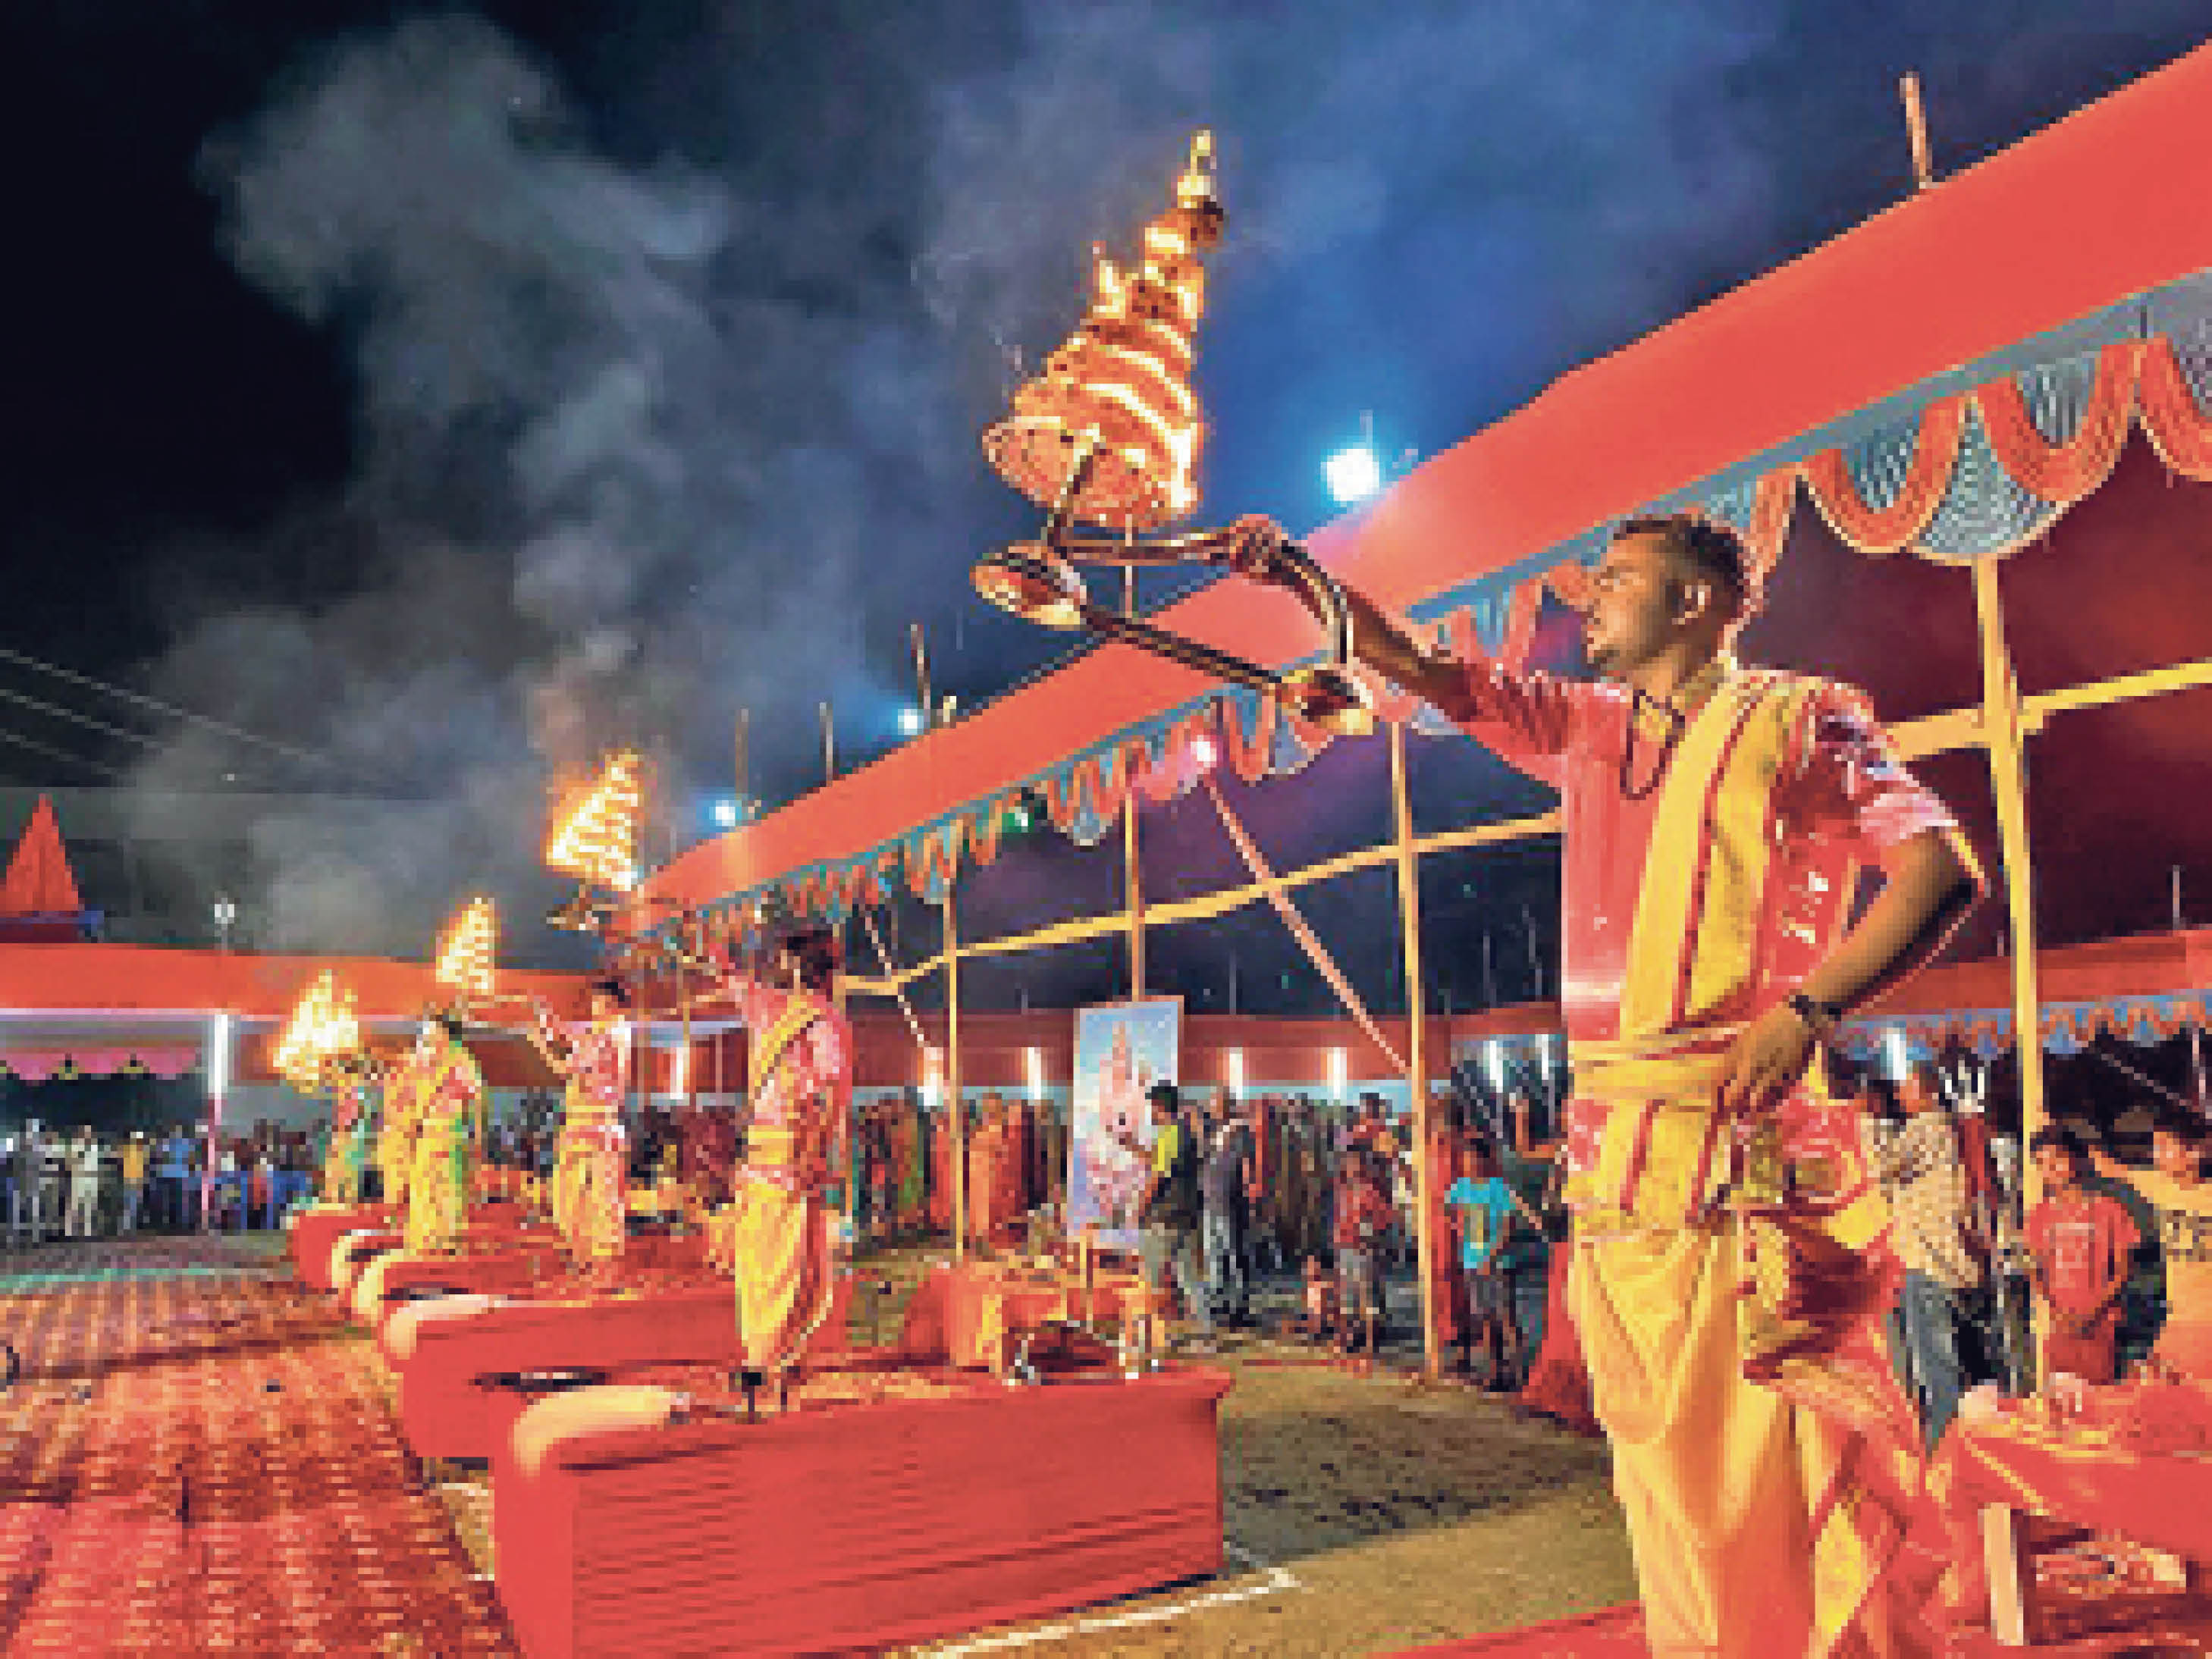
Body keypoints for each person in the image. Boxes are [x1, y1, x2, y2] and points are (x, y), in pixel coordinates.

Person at [1230, 509, 1980, 1657]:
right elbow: (1411, 664)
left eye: (1617, 580)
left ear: (1694, 602)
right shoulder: (1583, 724)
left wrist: (1806, 1012)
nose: (1587, 597)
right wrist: (1297, 576)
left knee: (1764, 1463)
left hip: (1742, 1159)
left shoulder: (1802, 718)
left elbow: (1940, 870)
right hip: (1616, 1159)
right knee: (1658, 1473)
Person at [705, 924, 852, 1391]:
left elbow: (829, 1093)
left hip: (793, 1157)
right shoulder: (774, 1008)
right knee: (761, 1259)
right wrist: (706, 941)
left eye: (791, 959)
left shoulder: (821, 1021)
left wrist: (813, 1152)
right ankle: (769, 1354)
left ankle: (768, 1358)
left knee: (786, 1262)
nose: (785, 967)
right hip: (762, 1158)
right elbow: (728, 977)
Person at [1863, 1065, 1987, 1450]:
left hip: (1927, 1264)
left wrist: (1866, 1122)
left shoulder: (1927, 1129)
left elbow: (1880, 1166)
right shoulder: (1935, 1130)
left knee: (1936, 1370)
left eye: (1906, 1088)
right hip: (1928, 1264)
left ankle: (1947, 1456)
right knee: (1931, 1366)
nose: (1900, 1096)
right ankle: (1941, 1449)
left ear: (1927, 1090)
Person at [526, 977, 633, 1281]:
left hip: (594, 1124)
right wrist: (547, 1020)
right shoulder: (613, 1032)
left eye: (598, 1002)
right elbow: (571, 1034)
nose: (594, 1007)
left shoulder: (607, 1034)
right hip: (592, 1124)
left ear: (611, 1004)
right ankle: (591, 1261)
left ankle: (599, 1266)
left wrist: (541, 1046)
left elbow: (566, 1067)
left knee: (589, 1197)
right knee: (589, 1196)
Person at [2024, 1124, 2139, 1385]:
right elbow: (2034, 1270)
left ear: (2075, 1159)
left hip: (2101, 1325)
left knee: (2102, 1406)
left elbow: (2123, 1270)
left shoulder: (2109, 1210)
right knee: (2063, 1406)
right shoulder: (2039, 1216)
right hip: (2059, 1327)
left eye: (2057, 1159)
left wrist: (2094, 1311)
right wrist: (2058, 1313)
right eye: (2042, 1162)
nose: (2050, 1168)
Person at [2107, 1105, 2212, 1377]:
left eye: (2163, 1147)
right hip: (2179, 1322)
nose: (2154, 1155)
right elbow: (2110, 1168)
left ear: (2194, 1152)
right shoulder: (2159, 1185)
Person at [1445, 1137, 1545, 1388]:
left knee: (1506, 1318)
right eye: (1467, 1160)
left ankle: (1522, 1375)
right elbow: (1446, 1207)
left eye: (1475, 1159)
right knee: (1485, 1319)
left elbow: (1507, 1227)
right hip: (1472, 1261)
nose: (1471, 1164)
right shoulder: (1461, 1188)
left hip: (1498, 1262)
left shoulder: (1498, 1189)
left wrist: (1491, 1256)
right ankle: (1495, 1372)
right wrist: (1457, 1225)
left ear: (1485, 1160)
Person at [403, 1013, 487, 1256]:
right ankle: (425, 1241)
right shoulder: (425, 1059)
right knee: (424, 1185)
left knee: (447, 1188)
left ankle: (447, 1243)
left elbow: (478, 1099)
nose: (427, 1033)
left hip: (450, 1131)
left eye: (432, 1029)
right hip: (427, 1132)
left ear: (446, 1032)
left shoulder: (462, 1060)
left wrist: (479, 1135)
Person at [1135, 1081, 1208, 1344]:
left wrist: (1141, 1208)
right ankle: (1204, 1334)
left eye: (1152, 1107)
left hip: (1164, 1217)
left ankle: (1151, 1339)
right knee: (1190, 1279)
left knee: (1152, 1282)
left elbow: (1158, 1175)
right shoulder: (1185, 1133)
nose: (1150, 1113)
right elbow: (1163, 1162)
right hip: (1186, 1216)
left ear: (1160, 1107)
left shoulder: (1167, 1134)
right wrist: (1132, 1146)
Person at [1200, 1098, 1257, 1327]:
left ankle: (1239, 1306)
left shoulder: (1240, 1131)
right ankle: (1219, 1302)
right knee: (1214, 1255)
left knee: (1234, 1254)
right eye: (1212, 1104)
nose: (1212, 1108)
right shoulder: (1214, 1133)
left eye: (1215, 1104)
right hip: (1211, 1203)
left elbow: (1246, 1166)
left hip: (1230, 1203)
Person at [65, 1127, 102, 1240]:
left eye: (89, 1132)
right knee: (74, 1209)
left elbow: (96, 1165)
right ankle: (70, 1234)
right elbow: (69, 1164)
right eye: (85, 1131)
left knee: (88, 1209)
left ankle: (87, 1233)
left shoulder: (94, 1147)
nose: (87, 1134)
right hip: (77, 1182)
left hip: (90, 1182)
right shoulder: (75, 1145)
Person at [118, 1131, 148, 1234]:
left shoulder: (137, 1151)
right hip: (130, 1181)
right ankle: (127, 1229)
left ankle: (130, 1229)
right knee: (130, 1207)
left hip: (135, 1181)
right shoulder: (129, 1150)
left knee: (133, 1207)